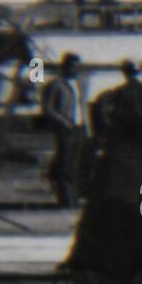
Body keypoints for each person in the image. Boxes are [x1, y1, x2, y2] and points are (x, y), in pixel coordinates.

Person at [40, 53, 89, 207]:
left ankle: (74, 198)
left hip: (80, 127)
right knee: (65, 163)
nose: (74, 69)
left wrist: (88, 126)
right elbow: (48, 108)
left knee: (77, 164)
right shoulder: (56, 84)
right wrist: (62, 121)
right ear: (64, 67)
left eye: (77, 66)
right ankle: (65, 199)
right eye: (71, 66)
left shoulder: (80, 84)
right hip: (66, 128)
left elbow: (84, 105)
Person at [92, 59, 142, 141]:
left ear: (124, 73)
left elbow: (104, 103)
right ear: (138, 72)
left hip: (130, 132)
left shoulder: (121, 90)